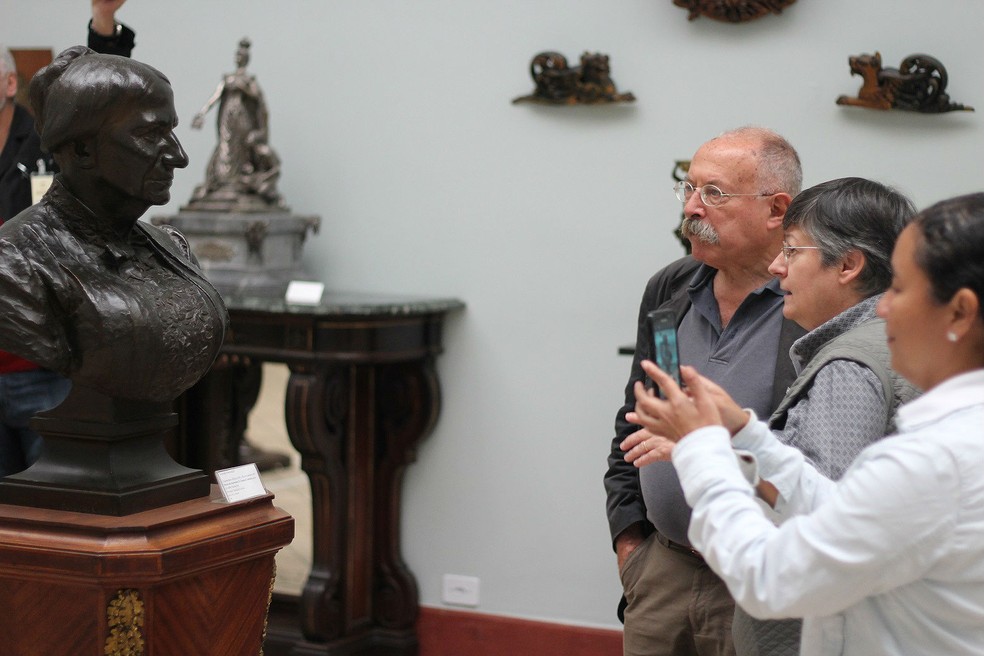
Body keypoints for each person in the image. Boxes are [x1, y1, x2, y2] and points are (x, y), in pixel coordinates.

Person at [630, 192, 984, 656]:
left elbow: (771, 579)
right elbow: (833, 509)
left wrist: (702, 449)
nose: (882, 309)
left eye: (899, 288)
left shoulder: (932, 461)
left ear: (959, 311)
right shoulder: (955, 438)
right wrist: (744, 436)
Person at [604, 126, 805, 656]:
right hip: (661, 571)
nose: (691, 207)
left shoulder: (809, 302)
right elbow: (637, 413)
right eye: (689, 189)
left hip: (757, 580)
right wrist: (630, 539)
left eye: (713, 193)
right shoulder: (671, 286)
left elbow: (817, 456)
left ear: (776, 210)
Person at [0, 46, 227, 403]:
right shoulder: (13, 261)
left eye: (171, 131)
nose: (178, 156)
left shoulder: (171, 247)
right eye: (150, 134)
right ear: (82, 150)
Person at [0, 0, 134, 476]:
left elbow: (100, 105)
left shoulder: (46, 140)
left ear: (9, 84)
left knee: (54, 500)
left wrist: (103, 24)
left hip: (40, 366)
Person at [189, 37, 283, 209]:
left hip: (242, 118)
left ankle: (241, 177)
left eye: (241, 56)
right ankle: (224, 180)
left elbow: (258, 100)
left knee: (241, 147)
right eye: (237, 55)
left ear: (246, 59)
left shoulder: (249, 80)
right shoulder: (228, 78)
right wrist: (201, 113)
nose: (238, 58)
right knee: (226, 144)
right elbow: (215, 97)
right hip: (227, 117)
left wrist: (243, 88)